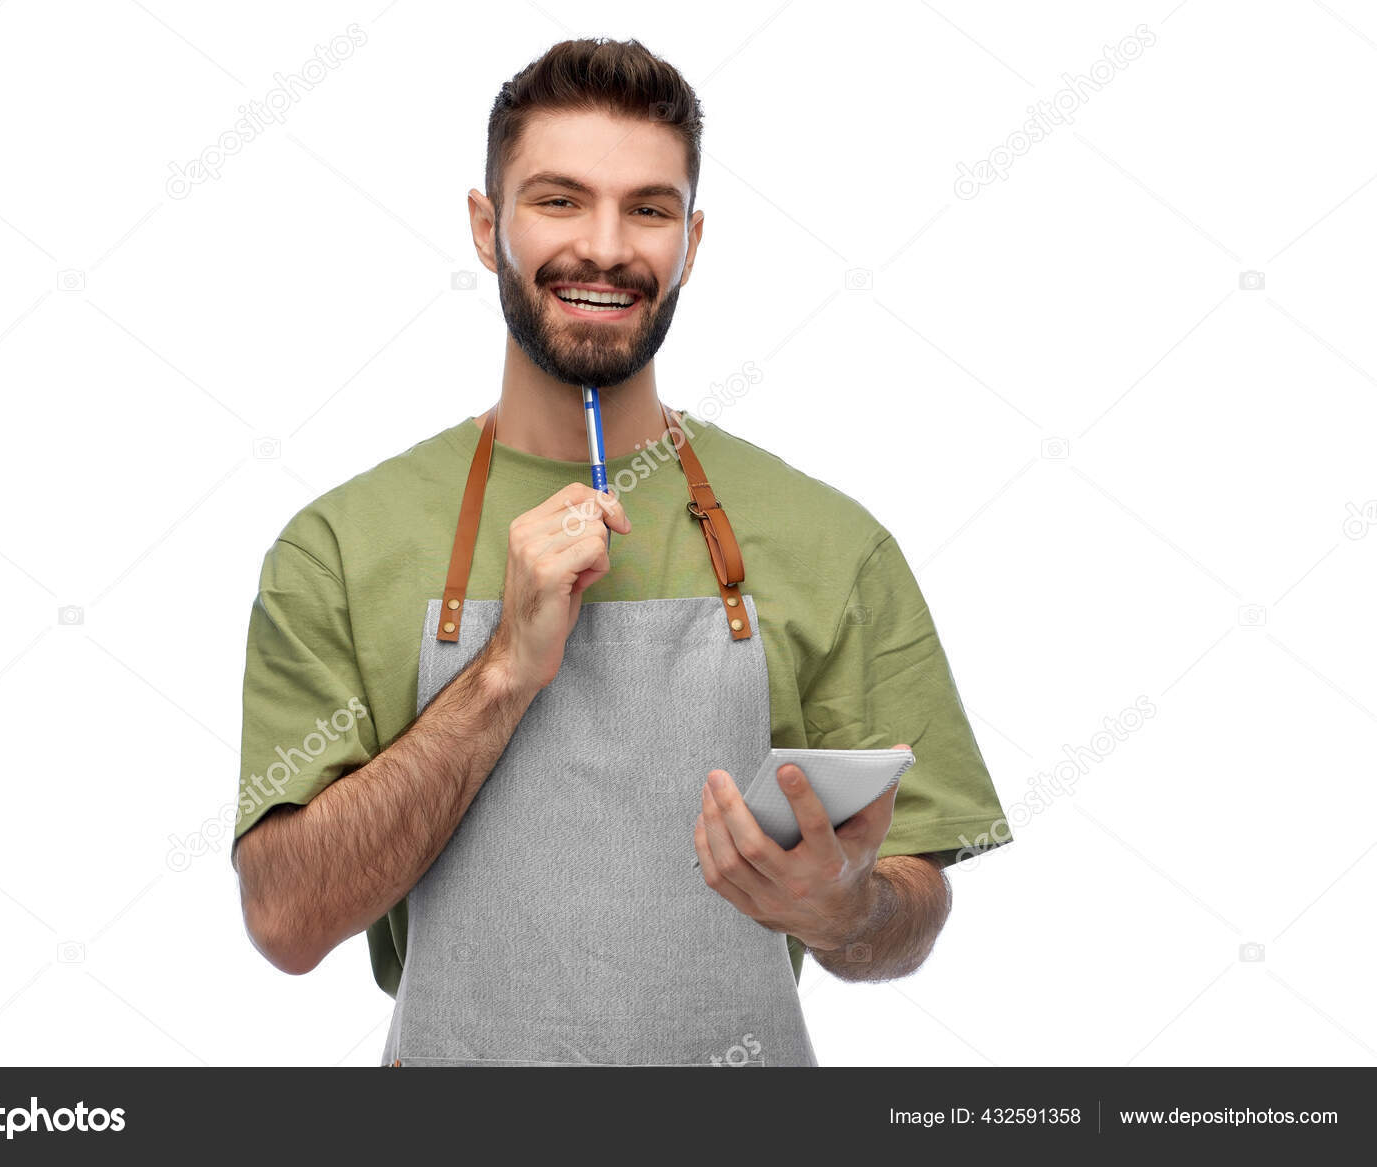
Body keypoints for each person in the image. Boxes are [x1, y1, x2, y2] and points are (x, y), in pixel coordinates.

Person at [231, 37, 1011, 1067]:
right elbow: (286, 923)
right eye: (557, 200)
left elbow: (910, 908)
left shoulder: (832, 545)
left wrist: (844, 911)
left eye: (646, 209)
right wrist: (504, 669)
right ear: (484, 225)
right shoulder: (341, 547)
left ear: (689, 240)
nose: (604, 247)